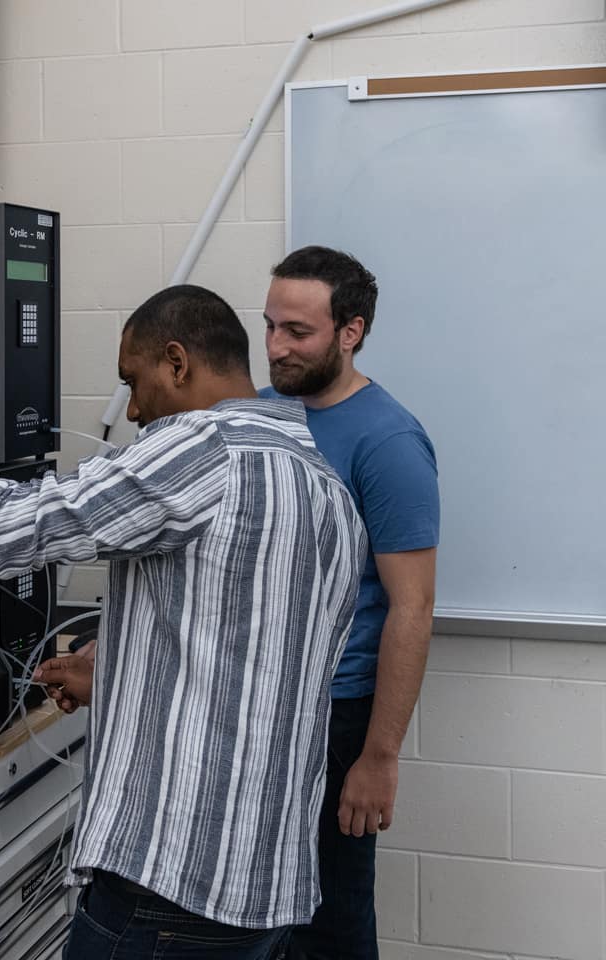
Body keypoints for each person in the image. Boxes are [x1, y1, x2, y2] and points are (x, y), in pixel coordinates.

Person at [0, 285, 366, 959]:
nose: (133, 409)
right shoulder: (321, 481)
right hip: (263, 883)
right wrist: (115, 669)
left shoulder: (201, 452)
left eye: (134, 382)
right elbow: (246, 651)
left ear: (177, 362)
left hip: (169, 888)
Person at [261, 246, 439, 959]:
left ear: (350, 331)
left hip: (338, 718)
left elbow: (413, 608)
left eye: (296, 332)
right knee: (258, 916)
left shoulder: (388, 440)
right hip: (265, 706)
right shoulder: (263, 417)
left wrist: (379, 757)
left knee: (330, 924)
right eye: (270, 325)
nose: (276, 346)